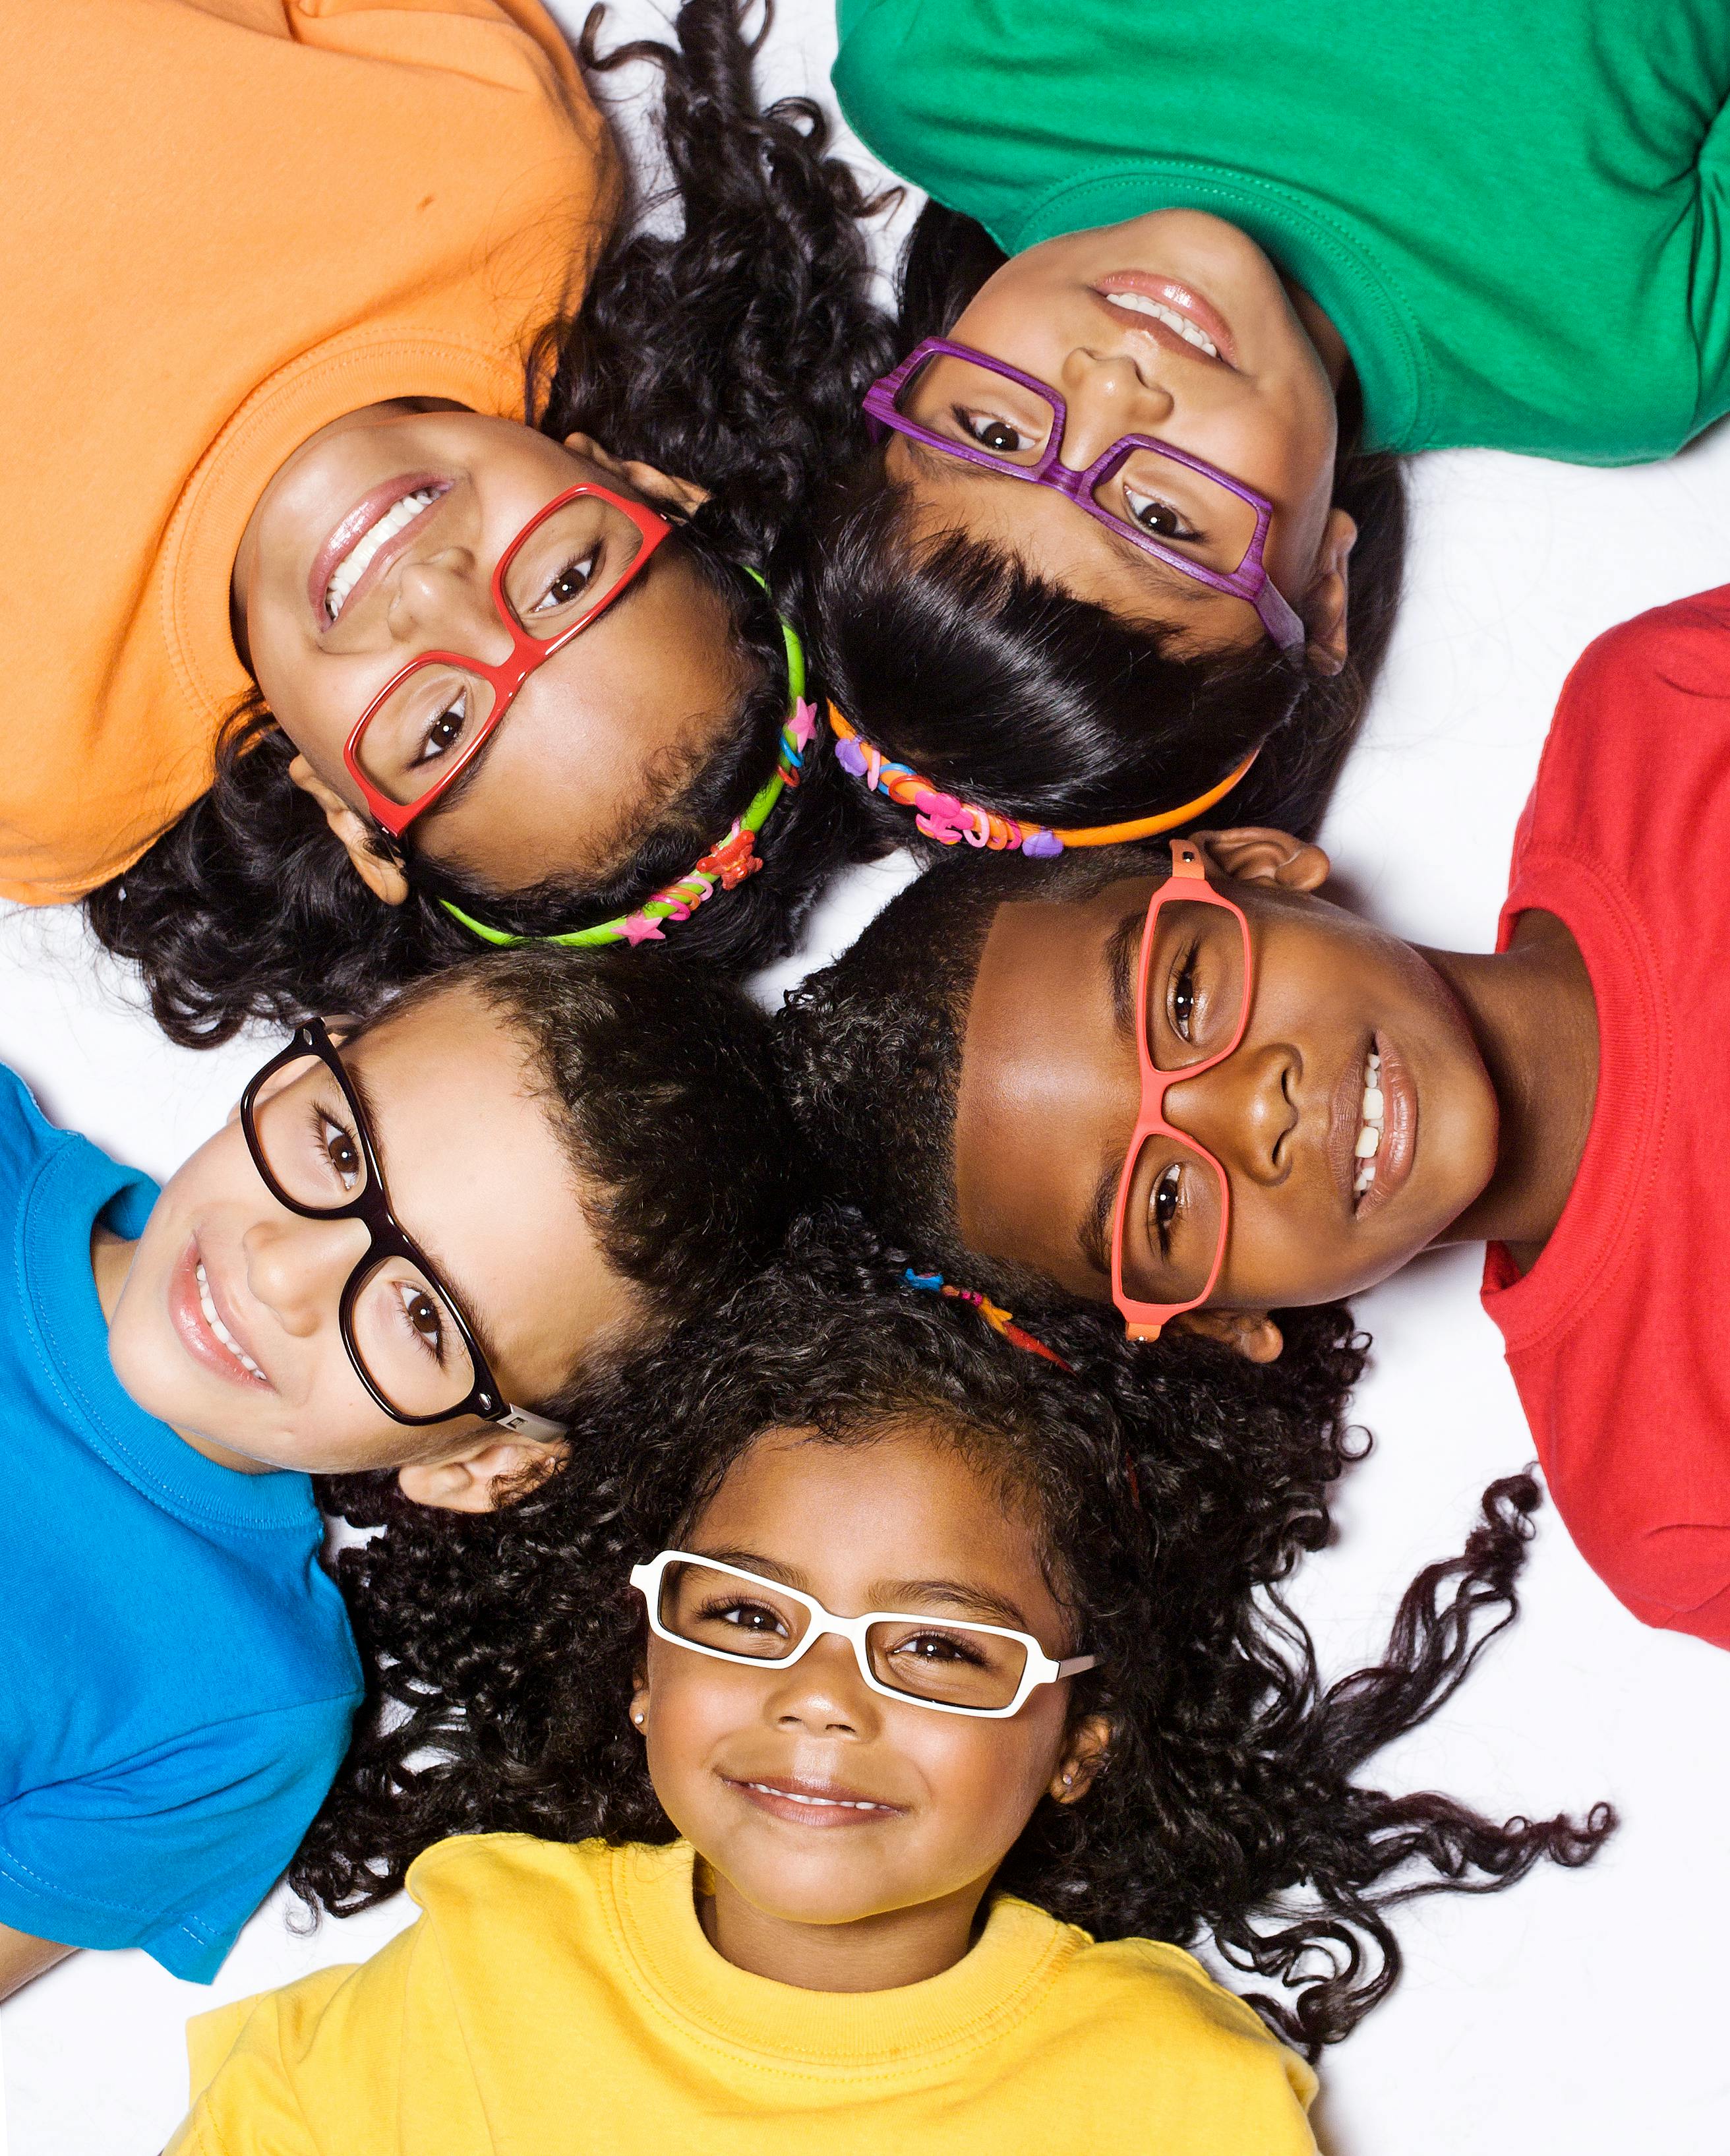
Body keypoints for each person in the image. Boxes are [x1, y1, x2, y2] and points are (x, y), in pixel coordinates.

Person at [164, 1224, 1605, 2156]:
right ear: (644, 1679)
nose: (820, 1699)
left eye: (937, 1649)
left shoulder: (1171, 2101)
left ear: (1076, 1747)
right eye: (742, 1613)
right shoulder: (481, 1968)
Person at [777, 584, 1730, 1648]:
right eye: (1165, 1203)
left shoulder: (1672, 711)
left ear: (1252, 868)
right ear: (1221, 1321)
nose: (1249, 1110)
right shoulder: (1672, 1502)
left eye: (1183, 997)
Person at [0, 0, 891, 1046]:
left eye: (441, 731)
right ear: (639, 483)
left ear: (347, 816)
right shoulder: (503, 157)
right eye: (568, 580)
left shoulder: (47, 766)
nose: (430, 589)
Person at [0, 947, 795, 2003]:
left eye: (425, 1318)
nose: (281, 1271)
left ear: (484, 1464)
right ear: (296, 1068)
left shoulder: (244, 1716)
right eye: (337, 1144)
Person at [803, 0, 1729, 848]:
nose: (1115, 386)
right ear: (1324, 592)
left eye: (993, 436)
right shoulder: (1617, 344)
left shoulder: (937, 59)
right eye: (1162, 519)